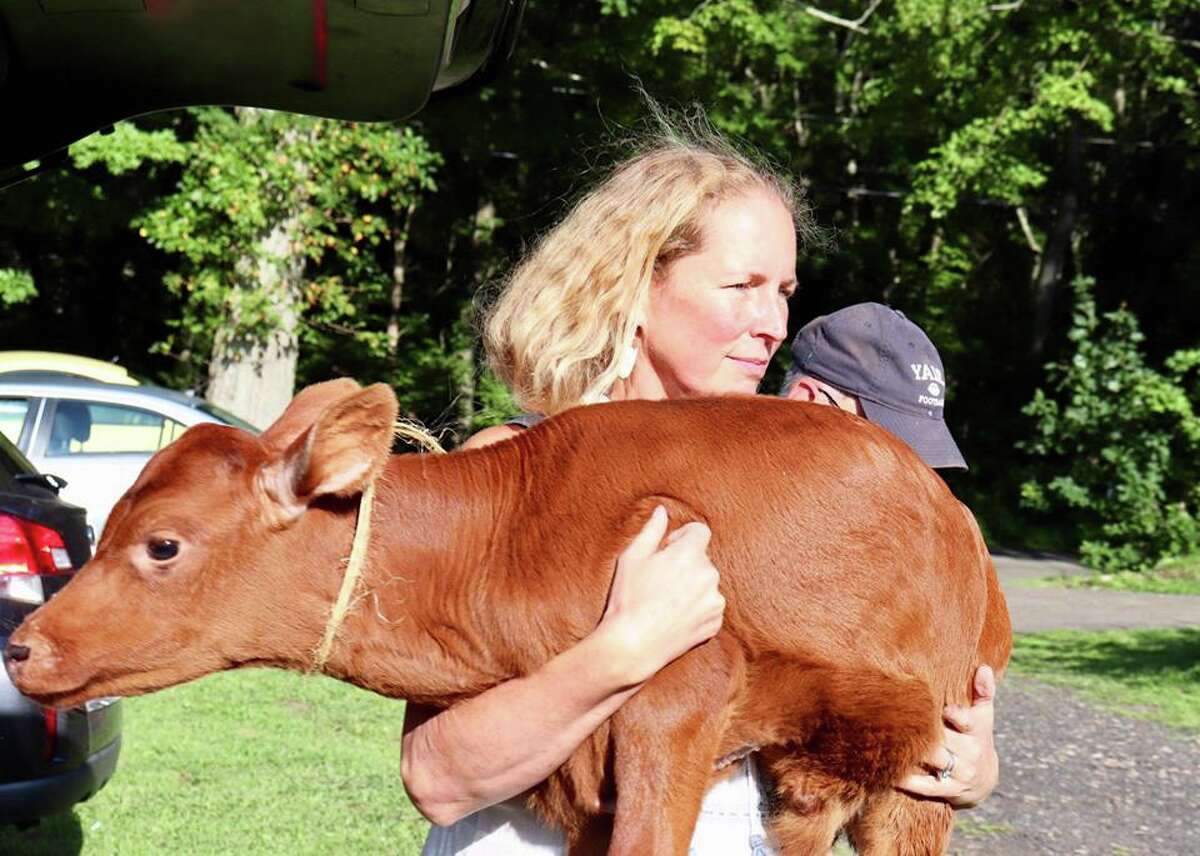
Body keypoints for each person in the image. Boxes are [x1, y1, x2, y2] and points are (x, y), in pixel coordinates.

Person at [402, 122, 998, 855]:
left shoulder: (786, 498)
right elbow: (438, 777)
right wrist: (623, 650)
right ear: (635, 287)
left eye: (783, 291)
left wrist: (960, 765)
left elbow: (826, 756)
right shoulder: (513, 465)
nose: (774, 324)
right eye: (742, 286)